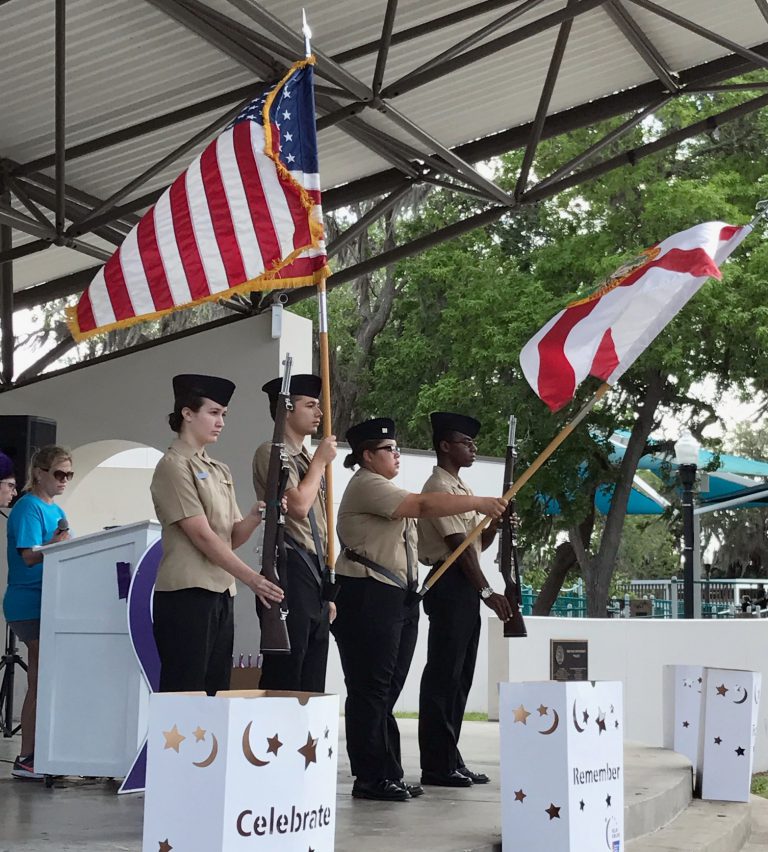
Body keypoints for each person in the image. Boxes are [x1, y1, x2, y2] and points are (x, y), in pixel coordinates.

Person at [331, 417, 507, 802]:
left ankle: (387, 771)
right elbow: (424, 506)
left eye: (396, 448)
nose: (397, 454)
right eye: (389, 449)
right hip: (367, 594)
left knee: (387, 689)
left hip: (395, 596)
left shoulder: (388, 488)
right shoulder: (369, 484)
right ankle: (371, 776)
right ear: (366, 456)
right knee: (371, 689)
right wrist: (480, 502)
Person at [150, 374, 283, 696]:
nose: (220, 421)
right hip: (187, 593)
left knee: (215, 690)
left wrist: (256, 515)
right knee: (185, 692)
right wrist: (253, 578)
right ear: (187, 413)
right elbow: (202, 536)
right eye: (213, 412)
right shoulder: (173, 465)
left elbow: (230, 537)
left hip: (221, 591)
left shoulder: (218, 469)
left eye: (223, 414)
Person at [417, 412, 513, 788]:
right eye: (465, 442)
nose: (472, 448)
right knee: (444, 675)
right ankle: (437, 764)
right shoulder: (439, 488)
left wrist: (494, 526)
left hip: (463, 581)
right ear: (444, 445)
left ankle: (450, 756)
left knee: (459, 677)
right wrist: (487, 591)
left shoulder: (460, 487)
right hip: (450, 581)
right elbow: (458, 548)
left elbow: (476, 544)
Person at [253, 374, 337, 692]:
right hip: (291, 561)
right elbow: (298, 507)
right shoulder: (272, 452)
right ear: (287, 408)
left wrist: (329, 579)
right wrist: (318, 463)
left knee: (313, 675)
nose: (319, 413)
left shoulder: (306, 457)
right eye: (310, 405)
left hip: (315, 569)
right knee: (288, 668)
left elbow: (323, 523)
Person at [3, 445, 73, 780]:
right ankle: (27, 756)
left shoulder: (56, 509)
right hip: (28, 601)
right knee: (39, 677)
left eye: (69, 475)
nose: (64, 481)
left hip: (51, 599)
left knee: (46, 678)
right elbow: (30, 556)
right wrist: (60, 544)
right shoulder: (28, 507)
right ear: (39, 473)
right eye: (59, 474)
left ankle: (43, 750)